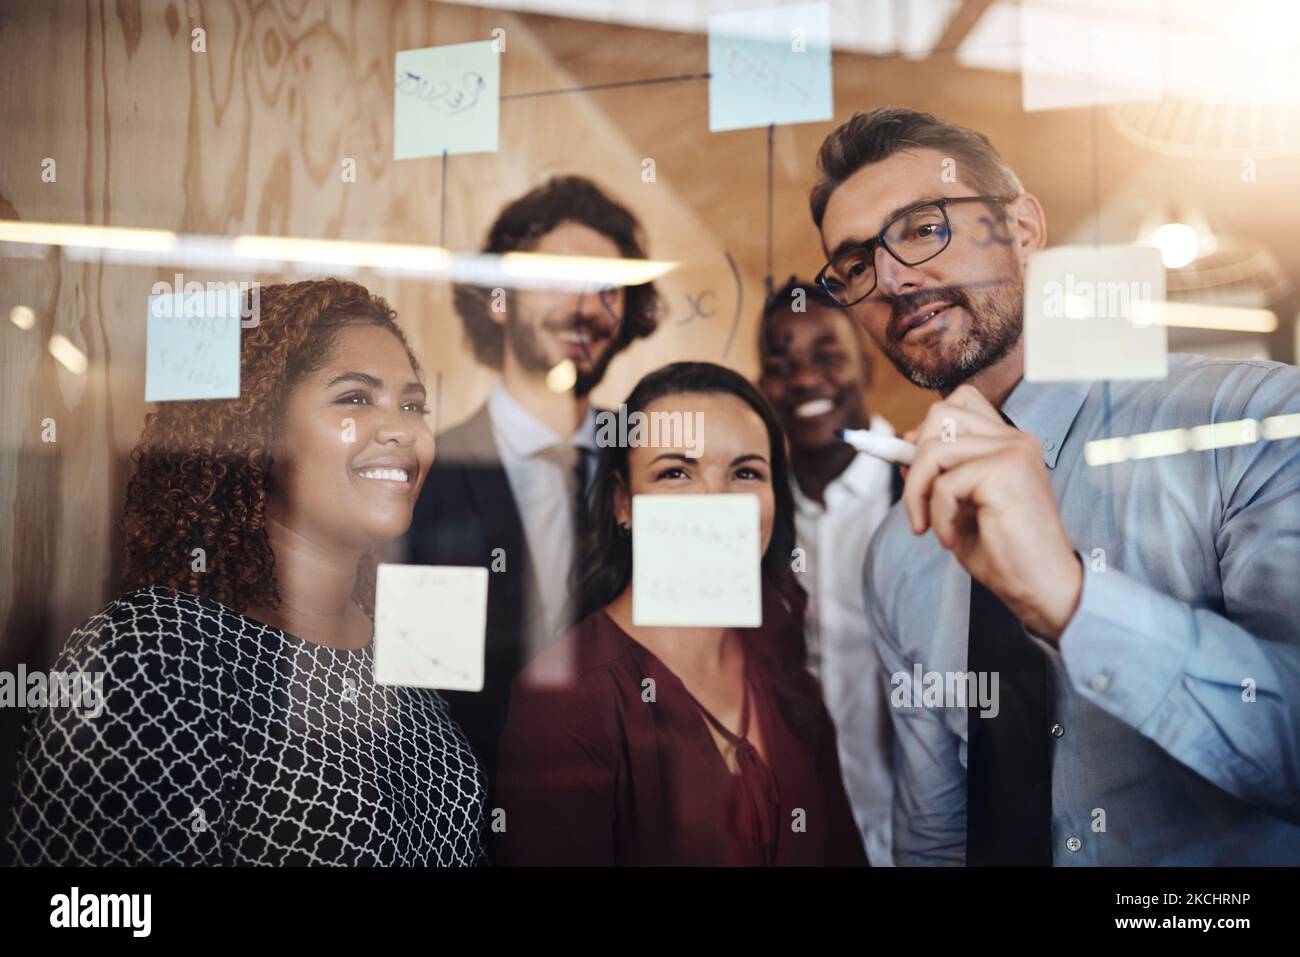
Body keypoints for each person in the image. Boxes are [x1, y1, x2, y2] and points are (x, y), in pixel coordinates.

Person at [809, 106, 1300, 865]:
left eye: (920, 228)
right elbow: (938, 834)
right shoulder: (900, 547)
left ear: (1024, 230)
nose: (894, 278)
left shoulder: (1250, 422)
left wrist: (1071, 600)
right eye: (854, 265)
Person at [6, 279, 486, 866]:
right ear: (258, 428)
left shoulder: (404, 644)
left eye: (413, 405)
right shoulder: (154, 651)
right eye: (355, 398)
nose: (403, 430)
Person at [494, 362, 867, 866]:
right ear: (623, 502)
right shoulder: (568, 701)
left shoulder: (782, 662)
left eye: (746, 472)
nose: (715, 502)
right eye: (676, 472)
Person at [400, 176, 661, 787]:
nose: (588, 307)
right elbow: (427, 702)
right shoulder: (431, 477)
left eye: (610, 290)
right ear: (500, 298)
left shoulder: (656, 463)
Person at [757, 277, 901, 866]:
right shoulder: (755, 514)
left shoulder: (926, 491)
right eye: (780, 363)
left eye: (828, 356)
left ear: (866, 364)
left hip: (922, 842)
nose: (805, 379)